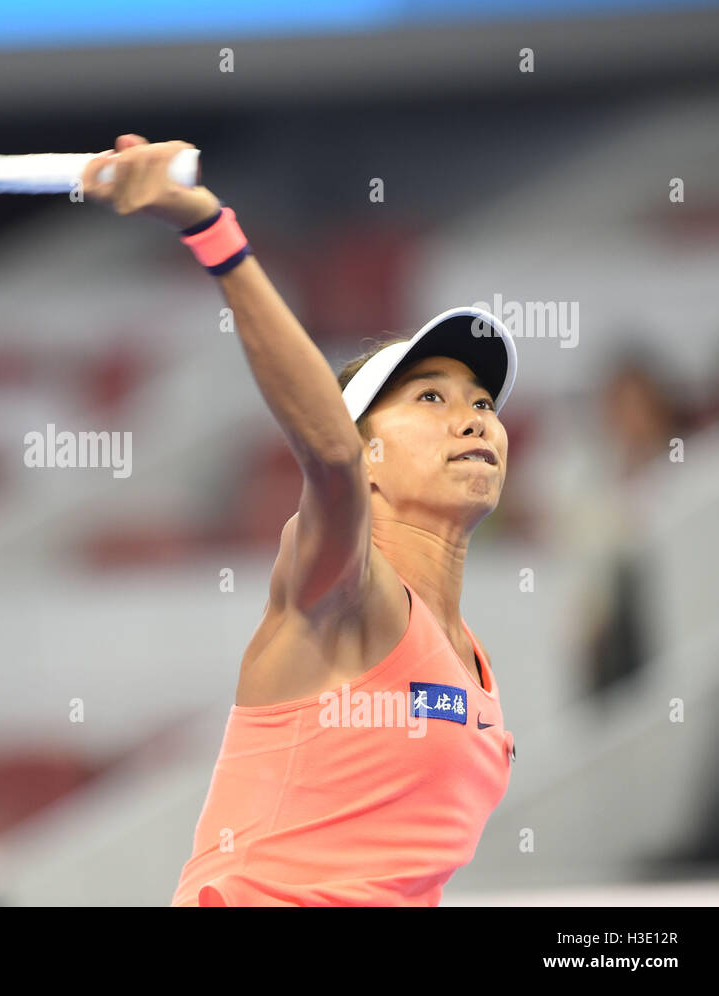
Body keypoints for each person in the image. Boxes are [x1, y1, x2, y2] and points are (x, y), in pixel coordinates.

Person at [81, 136, 518, 906]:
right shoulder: (342, 592)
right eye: (431, 399)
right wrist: (211, 229)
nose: (473, 419)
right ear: (369, 454)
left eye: (482, 403)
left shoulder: (476, 670)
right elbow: (329, 456)